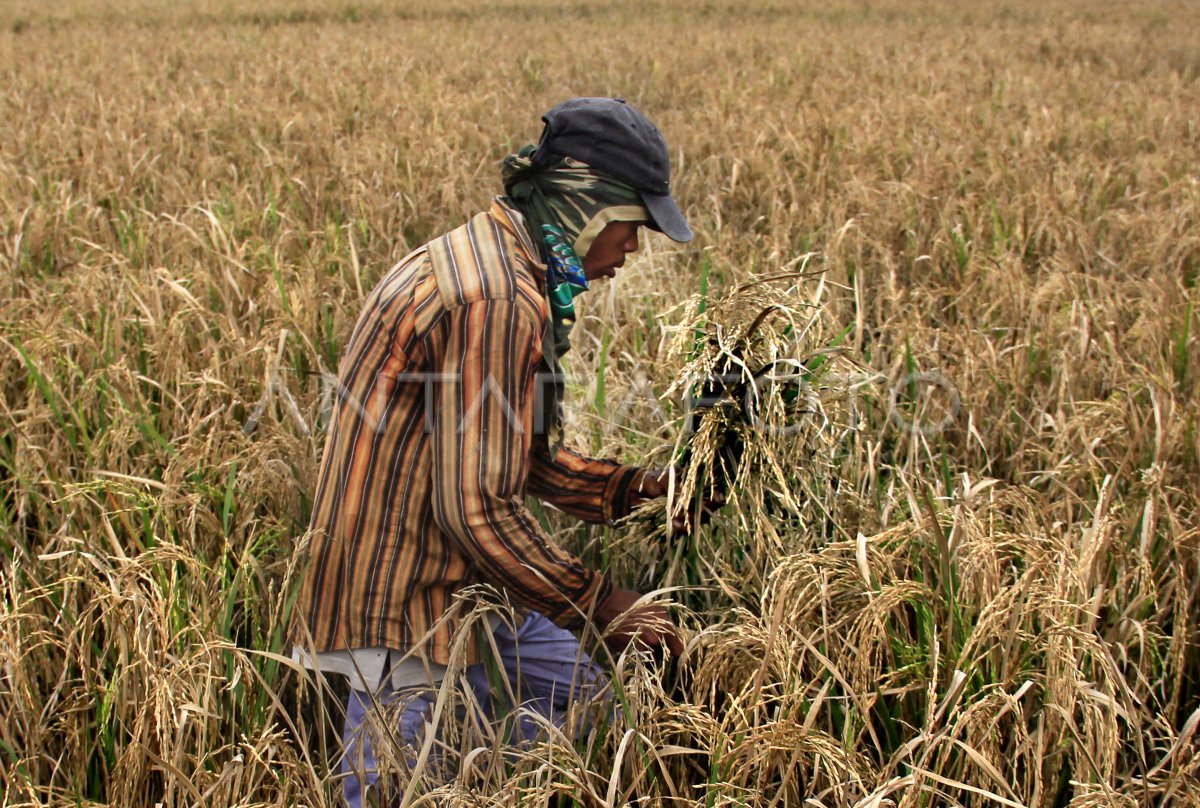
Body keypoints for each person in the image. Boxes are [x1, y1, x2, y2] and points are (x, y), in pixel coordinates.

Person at [292, 97, 703, 805]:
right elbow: (475, 504)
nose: (631, 252)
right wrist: (601, 602)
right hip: (403, 597)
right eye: (632, 227)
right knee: (390, 788)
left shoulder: (503, 262)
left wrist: (643, 489)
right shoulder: (497, 298)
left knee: (594, 716)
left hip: (467, 580)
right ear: (589, 208)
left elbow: (518, 455)